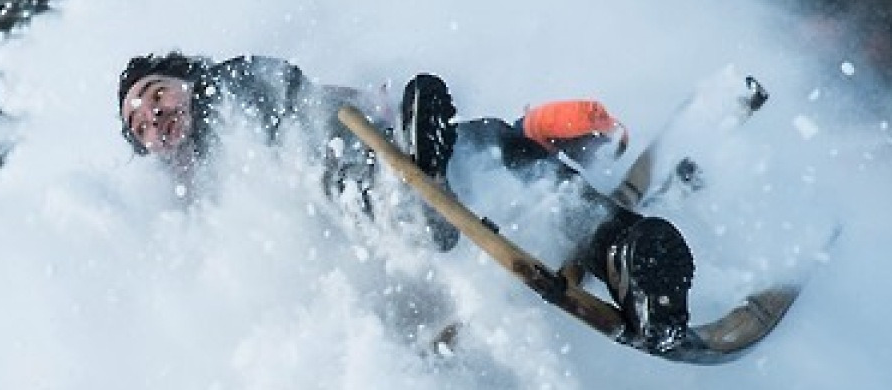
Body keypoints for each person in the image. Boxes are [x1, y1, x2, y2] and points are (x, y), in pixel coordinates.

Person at [118, 51, 695, 353]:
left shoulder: (228, 91)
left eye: (156, 92)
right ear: (149, 154)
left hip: (356, 170)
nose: (154, 113)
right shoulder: (200, 211)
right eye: (139, 125)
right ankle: (616, 244)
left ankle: (633, 255)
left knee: (468, 158)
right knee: (501, 157)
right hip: (386, 194)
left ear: (184, 81)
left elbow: (305, 109)